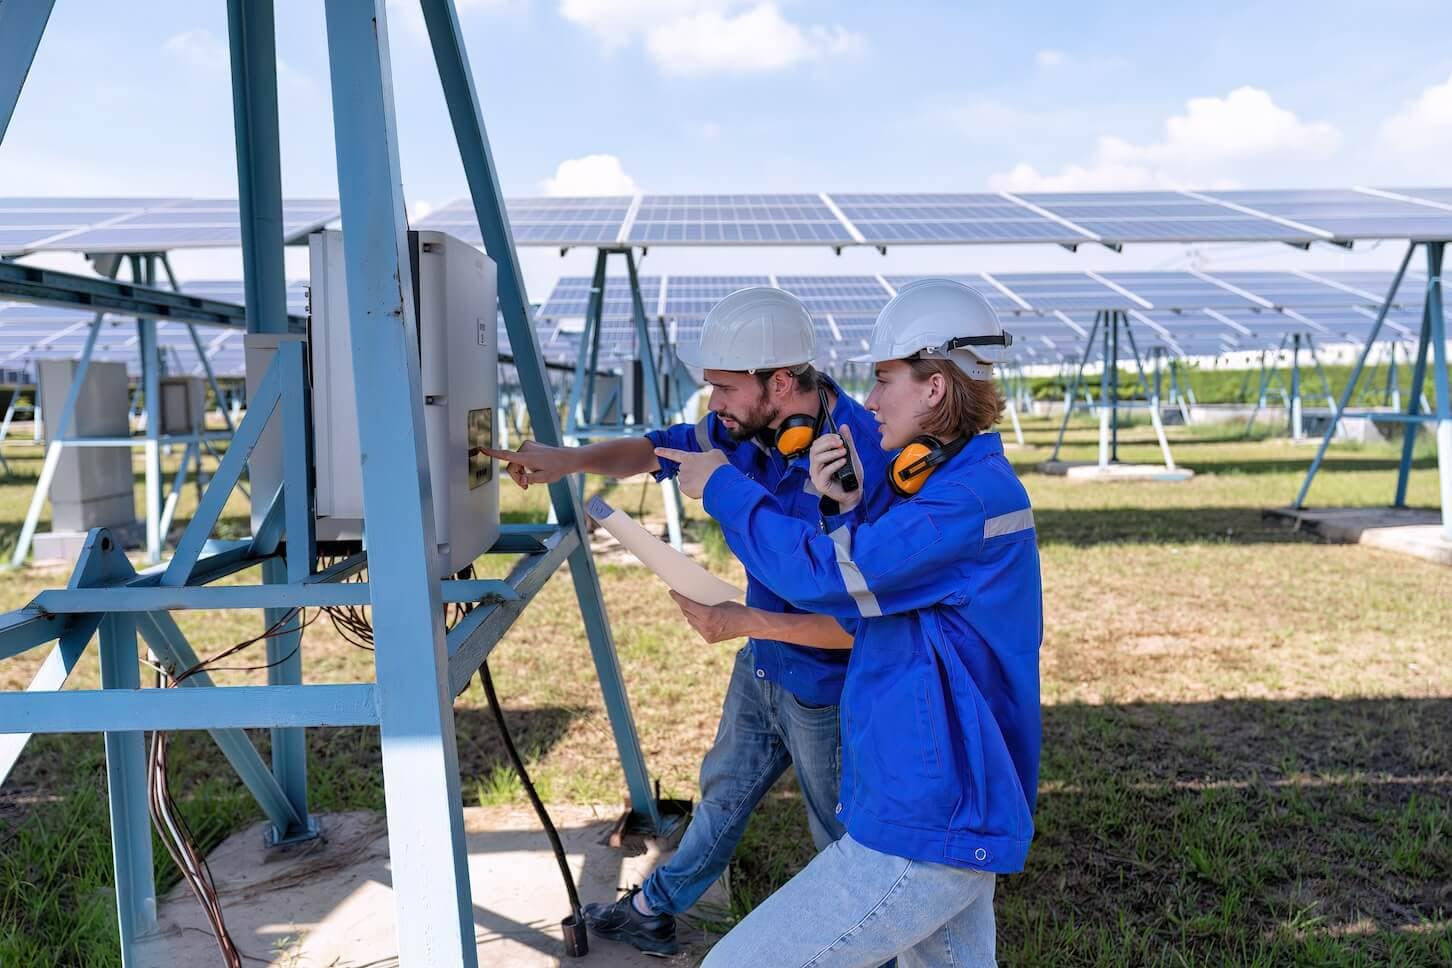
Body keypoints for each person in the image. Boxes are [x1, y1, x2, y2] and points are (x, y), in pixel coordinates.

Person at [481, 287, 894, 956]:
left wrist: (744, 621)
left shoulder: (863, 461)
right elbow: (653, 452)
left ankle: (877, 944)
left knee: (844, 843)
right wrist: (570, 459)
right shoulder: (743, 430)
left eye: (726, 388)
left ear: (782, 380)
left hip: (829, 688)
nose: (714, 405)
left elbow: (863, 624)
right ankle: (653, 907)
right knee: (725, 788)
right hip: (762, 660)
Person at [657, 279, 1042, 967]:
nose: (868, 399)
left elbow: (822, 579)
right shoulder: (943, 488)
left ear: (933, 388)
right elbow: (862, 596)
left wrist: (723, 487)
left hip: (928, 814)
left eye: (886, 378)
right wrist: (840, 509)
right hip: (932, 796)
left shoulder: (966, 502)